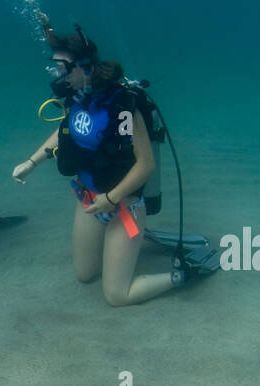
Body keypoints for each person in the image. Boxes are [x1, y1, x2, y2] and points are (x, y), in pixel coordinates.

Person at [12, 23, 212, 303]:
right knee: (85, 274)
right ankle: (136, 241)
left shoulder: (122, 108)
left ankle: (183, 275)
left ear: (84, 68)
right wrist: (32, 162)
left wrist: (111, 198)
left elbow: (145, 165)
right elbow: (65, 130)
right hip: (89, 198)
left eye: (62, 68)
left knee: (117, 295)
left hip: (123, 204)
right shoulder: (76, 99)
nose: (58, 76)